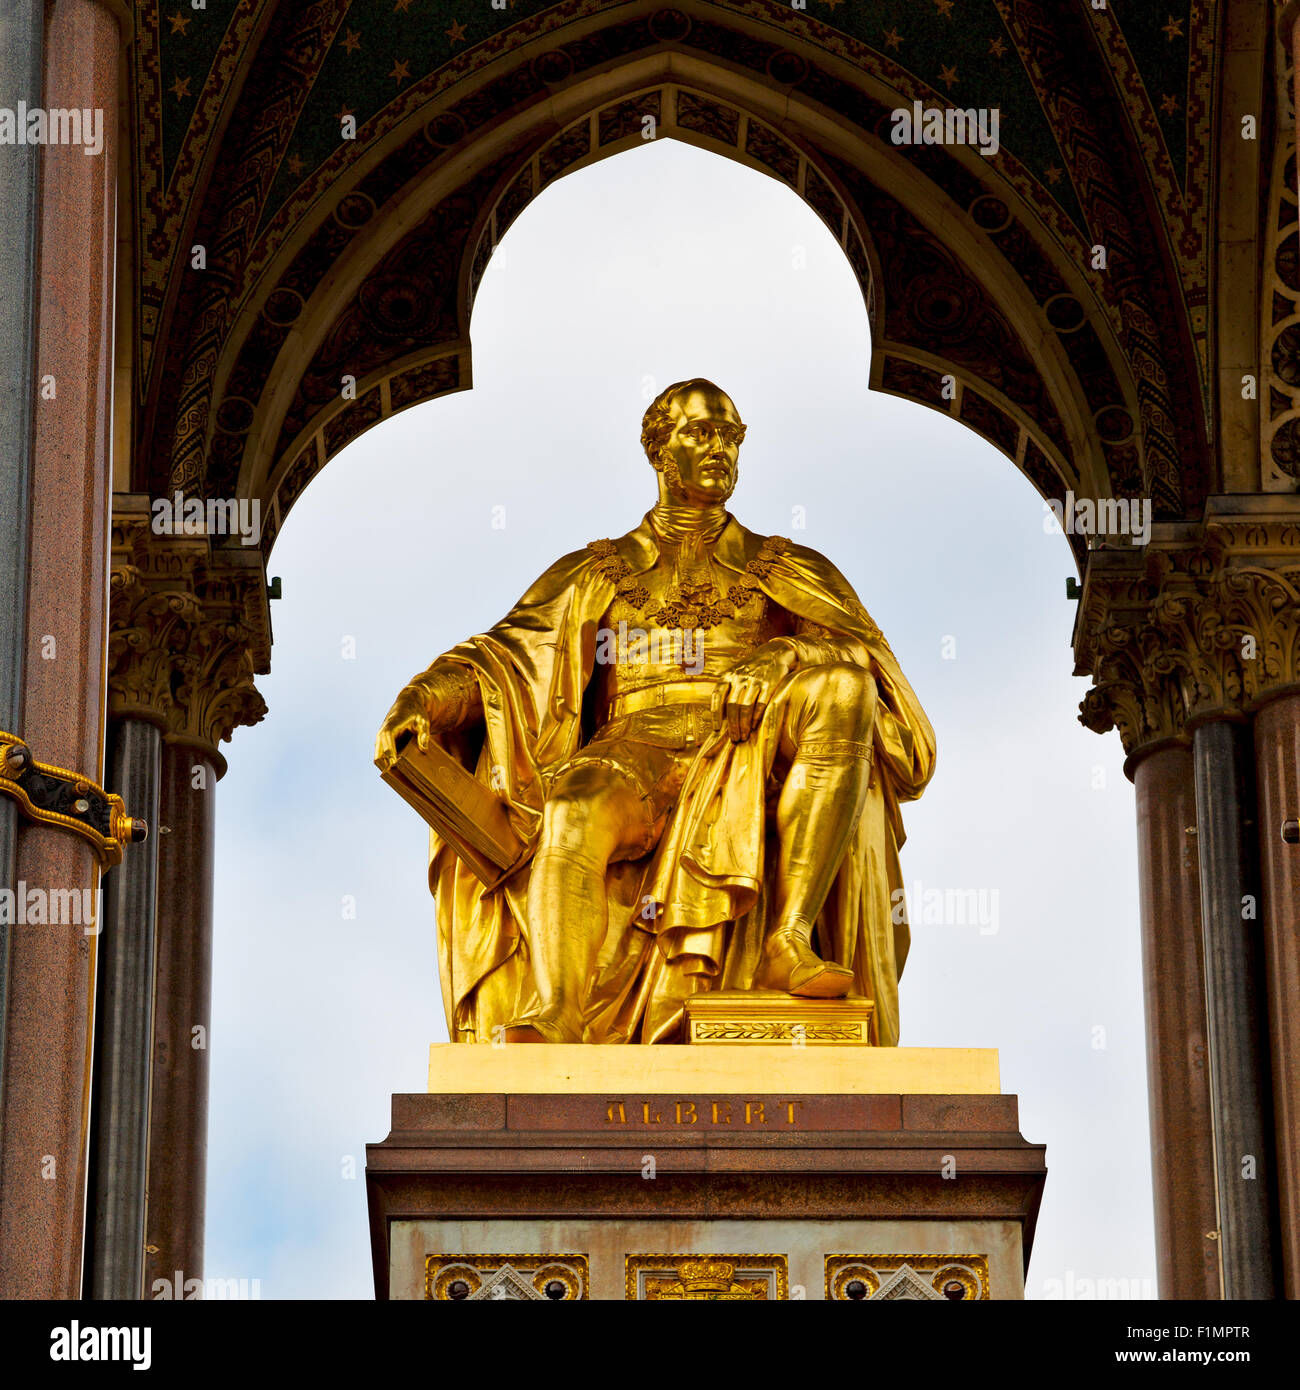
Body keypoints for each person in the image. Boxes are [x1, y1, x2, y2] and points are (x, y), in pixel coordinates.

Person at [375, 379, 935, 1044]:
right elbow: (504, 660)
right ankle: (559, 1008)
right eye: (702, 432)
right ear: (659, 449)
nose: (720, 448)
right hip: (633, 752)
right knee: (575, 806)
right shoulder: (598, 571)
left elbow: (868, 667)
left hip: (748, 752)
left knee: (843, 688)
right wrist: (423, 701)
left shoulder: (786, 567)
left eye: (732, 436)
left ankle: (788, 937)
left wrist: (786, 655)